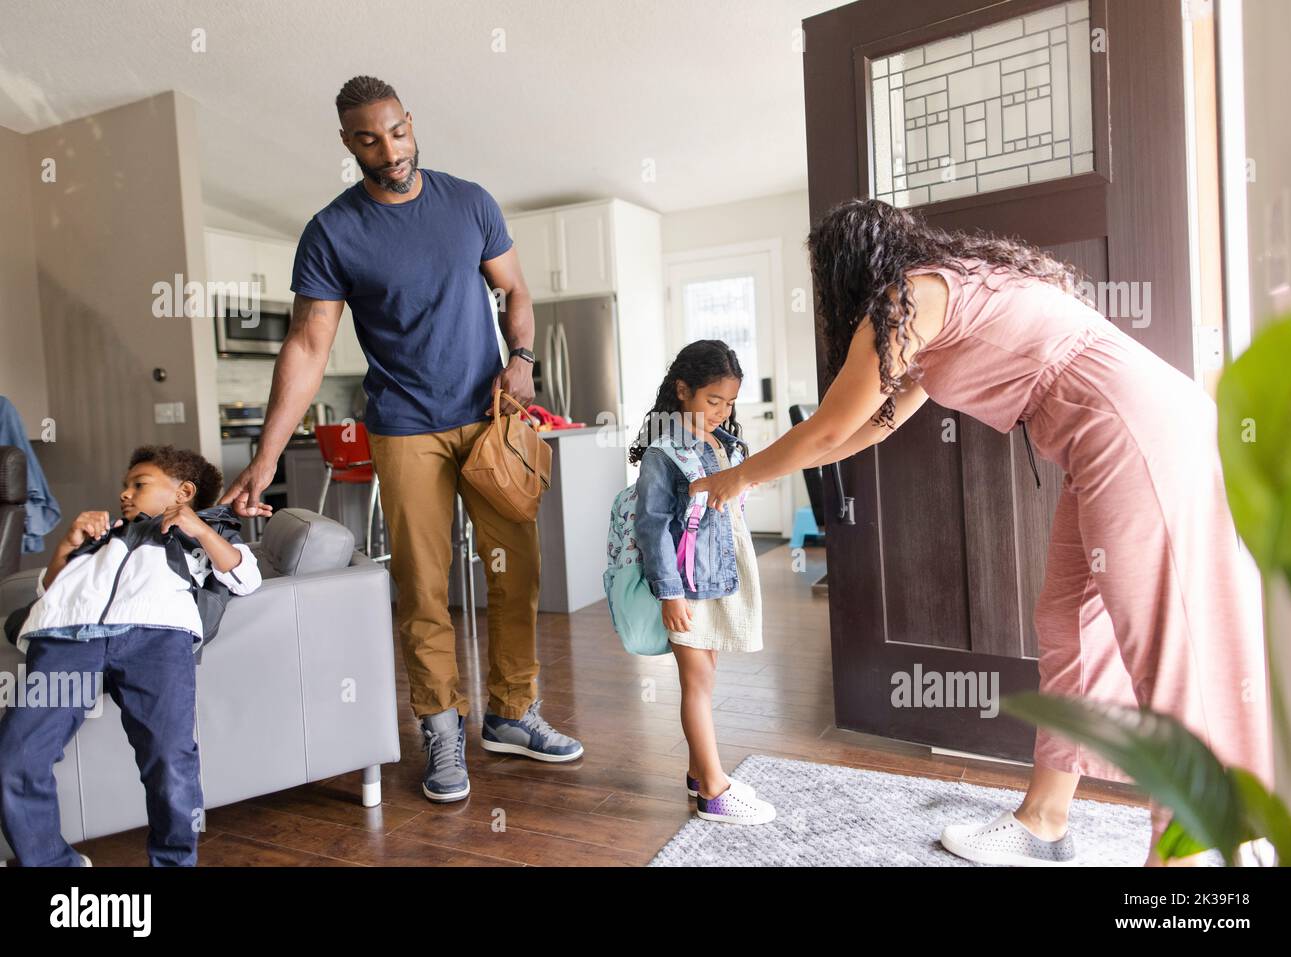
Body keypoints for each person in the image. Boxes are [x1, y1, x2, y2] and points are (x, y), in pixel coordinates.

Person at [688, 198, 1271, 865]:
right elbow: (863, 427)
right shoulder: (938, 300)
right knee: (1069, 624)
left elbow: (824, 426)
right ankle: (1045, 820)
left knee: (1163, 645)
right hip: (1116, 433)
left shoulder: (910, 299)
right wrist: (754, 474)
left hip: (1132, 431)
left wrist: (737, 479)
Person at [220, 75, 581, 807]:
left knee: (517, 573)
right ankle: (440, 728)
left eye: (396, 132)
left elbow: (514, 288)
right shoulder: (333, 231)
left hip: (490, 422)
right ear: (348, 143)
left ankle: (512, 712)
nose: (389, 150)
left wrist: (523, 358)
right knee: (423, 586)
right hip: (404, 427)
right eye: (369, 139)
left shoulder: (469, 202)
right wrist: (264, 456)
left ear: (411, 123)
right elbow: (307, 344)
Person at [0, 445, 262, 866]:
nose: (125, 493)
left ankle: (173, 862)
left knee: (169, 758)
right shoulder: (104, 537)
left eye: (138, 484)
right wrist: (68, 544)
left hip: (154, 637)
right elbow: (49, 593)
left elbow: (246, 577)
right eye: (124, 486)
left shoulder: (200, 533)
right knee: (15, 754)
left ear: (184, 492)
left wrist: (201, 529)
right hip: (68, 638)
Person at [632, 340, 775, 825]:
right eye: (713, 401)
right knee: (695, 682)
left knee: (707, 676)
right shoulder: (663, 452)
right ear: (683, 390)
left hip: (714, 579)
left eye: (730, 402)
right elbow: (651, 527)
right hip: (685, 586)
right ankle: (713, 791)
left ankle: (699, 771)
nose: (722, 411)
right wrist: (668, 593)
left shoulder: (723, 443)